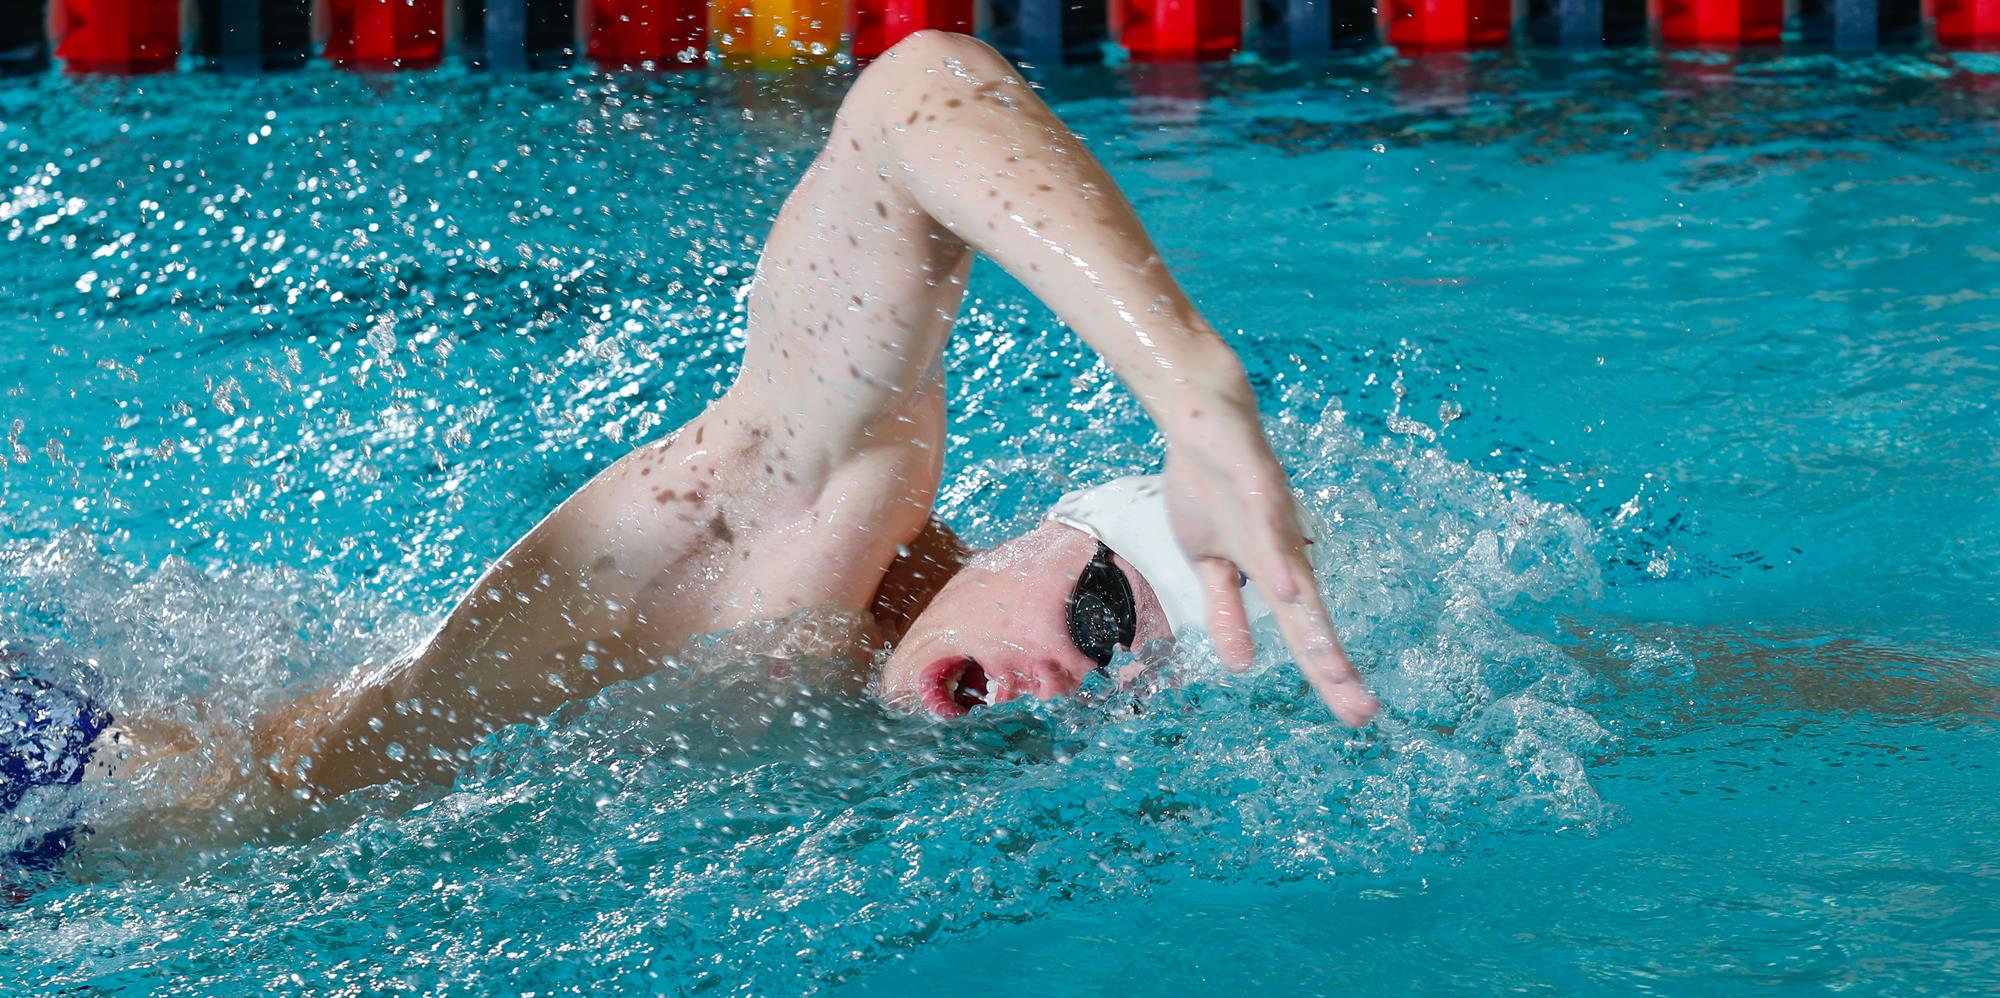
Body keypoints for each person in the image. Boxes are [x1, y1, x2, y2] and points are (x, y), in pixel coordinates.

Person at [2, 31, 1375, 866]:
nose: (1078, 681)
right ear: (1040, 535)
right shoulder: (795, 548)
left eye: (1130, 698)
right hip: (64, 819)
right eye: (1103, 610)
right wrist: (1195, 391)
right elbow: (914, 98)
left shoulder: (887, 747)